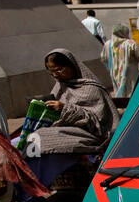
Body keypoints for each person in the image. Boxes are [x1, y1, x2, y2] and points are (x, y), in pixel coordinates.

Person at [28, 49, 118, 183]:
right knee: (28, 138)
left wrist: (65, 109)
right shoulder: (60, 86)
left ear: (72, 66)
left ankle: (36, 185)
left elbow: (99, 122)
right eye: (51, 72)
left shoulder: (91, 89)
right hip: (65, 129)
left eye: (58, 70)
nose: (55, 75)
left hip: (90, 134)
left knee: (40, 138)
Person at [101, 24, 139, 109]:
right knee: (132, 91)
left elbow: (103, 58)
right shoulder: (130, 43)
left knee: (119, 91)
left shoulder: (107, 44)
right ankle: (133, 110)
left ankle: (121, 109)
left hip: (115, 74)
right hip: (130, 74)